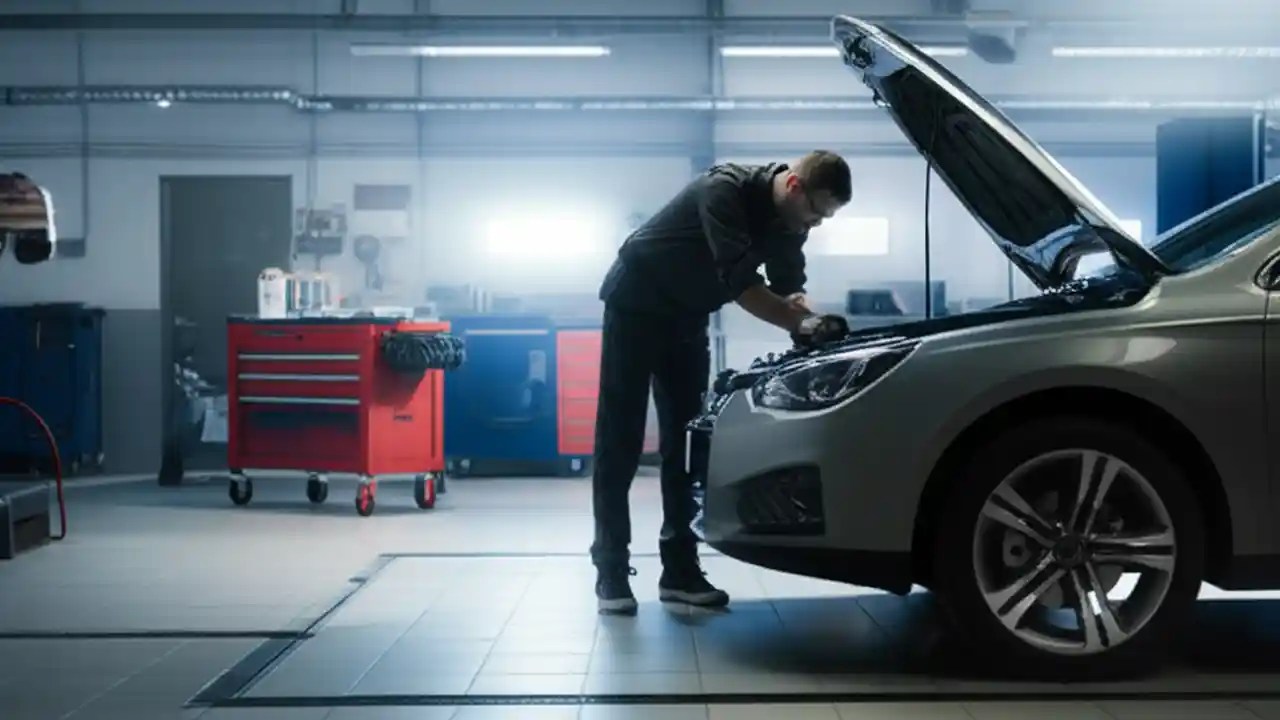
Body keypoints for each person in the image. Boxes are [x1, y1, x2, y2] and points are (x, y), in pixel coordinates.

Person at [589, 150, 854, 615]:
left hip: (688, 315)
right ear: (794, 187)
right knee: (621, 439)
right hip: (636, 304)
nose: (815, 224)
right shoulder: (723, 191)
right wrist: (798, 326)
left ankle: (679, 571)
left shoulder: (792, 223)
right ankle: (610, 569)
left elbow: (789, 286)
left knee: (685, 443)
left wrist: (813, 319)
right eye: (815, 211)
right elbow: (743, 286)